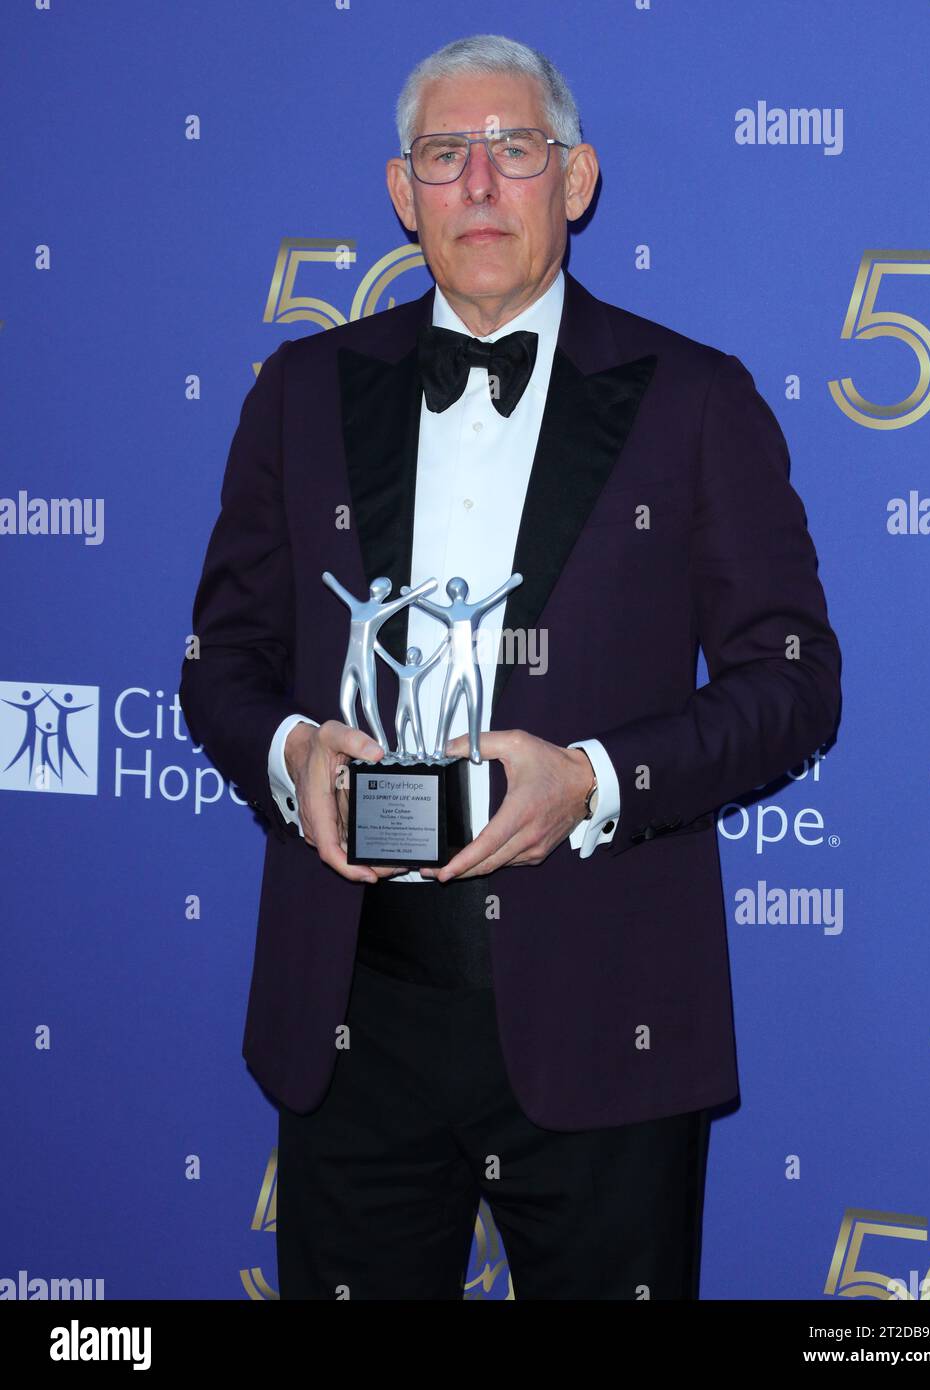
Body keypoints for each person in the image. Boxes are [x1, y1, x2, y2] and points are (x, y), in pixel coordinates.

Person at [179, 33, 842, 1300]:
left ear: (575, 179)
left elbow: (795, 681)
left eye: (514, 150)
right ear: (401, 191)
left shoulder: (696, 399)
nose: (479, 183)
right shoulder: (299, 393)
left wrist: (591, 782)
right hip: (351, 1019)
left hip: (607, 1015)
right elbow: (223, 661)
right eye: (446, 153)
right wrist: (291, 753)